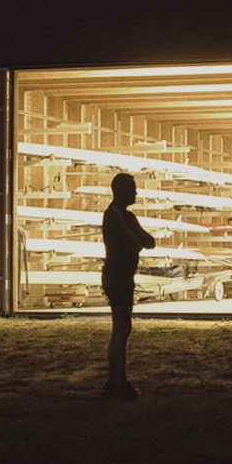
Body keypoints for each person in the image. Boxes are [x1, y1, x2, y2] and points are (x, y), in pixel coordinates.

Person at [101, 171, 154, 399]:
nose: (136, 193)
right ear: (121, 191)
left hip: (118, 276)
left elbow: (143, 241)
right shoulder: (122, 216)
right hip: (119, 278)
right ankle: (119, 383)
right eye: (132, 189)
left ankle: (113, 381)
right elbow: (144, 241)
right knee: (123, 329)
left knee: (120, 329)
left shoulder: (112, 215)